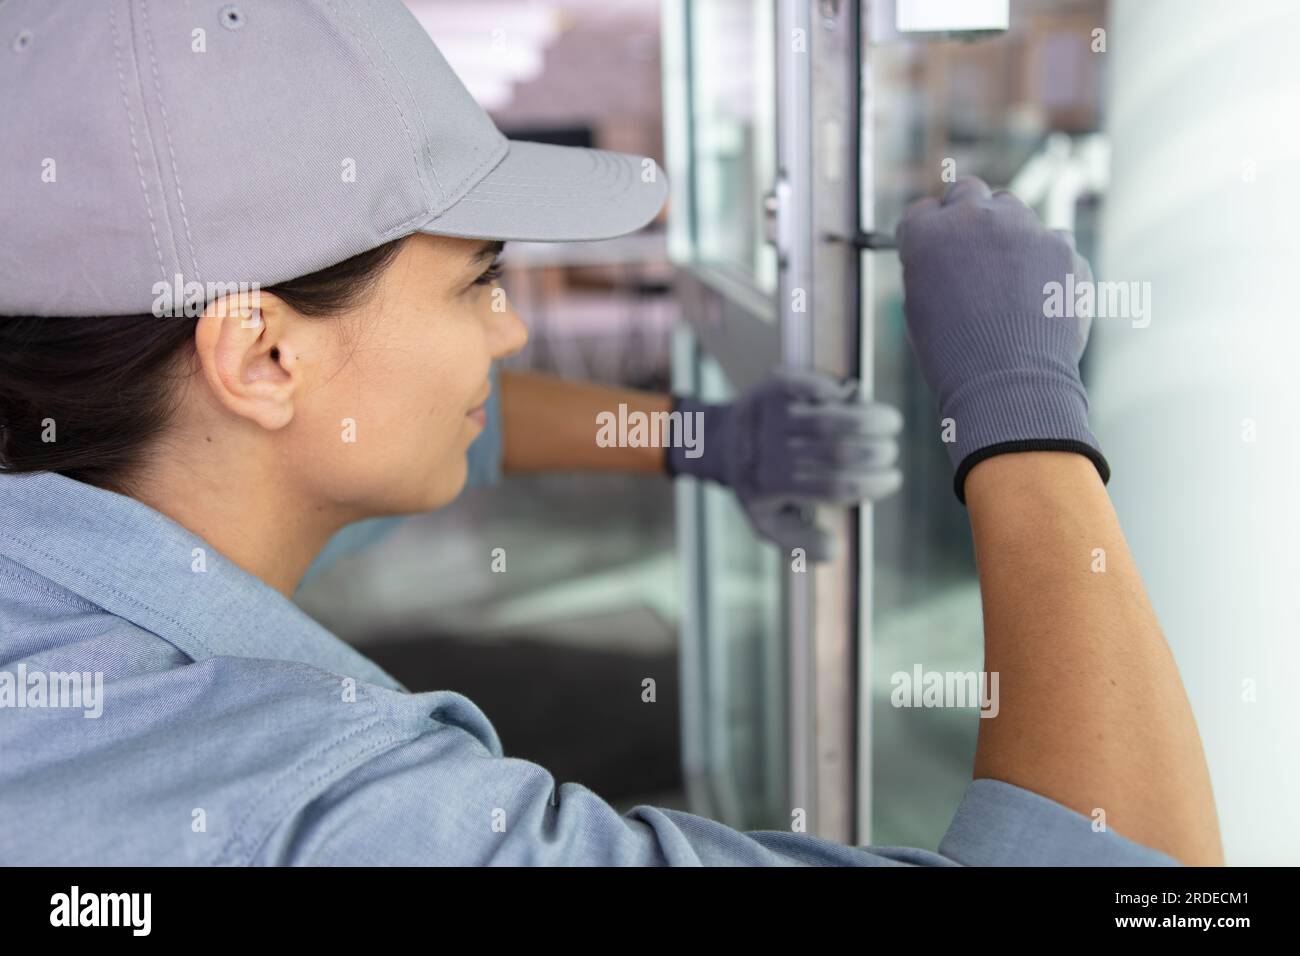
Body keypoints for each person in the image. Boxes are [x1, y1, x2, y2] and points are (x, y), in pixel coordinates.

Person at [0, 0, 1220, 865]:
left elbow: (405, 426)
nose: (511, 333)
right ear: (262, 353)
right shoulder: (307, 814)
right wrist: (1021, 415)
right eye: (478, 280)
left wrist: (701, 434)